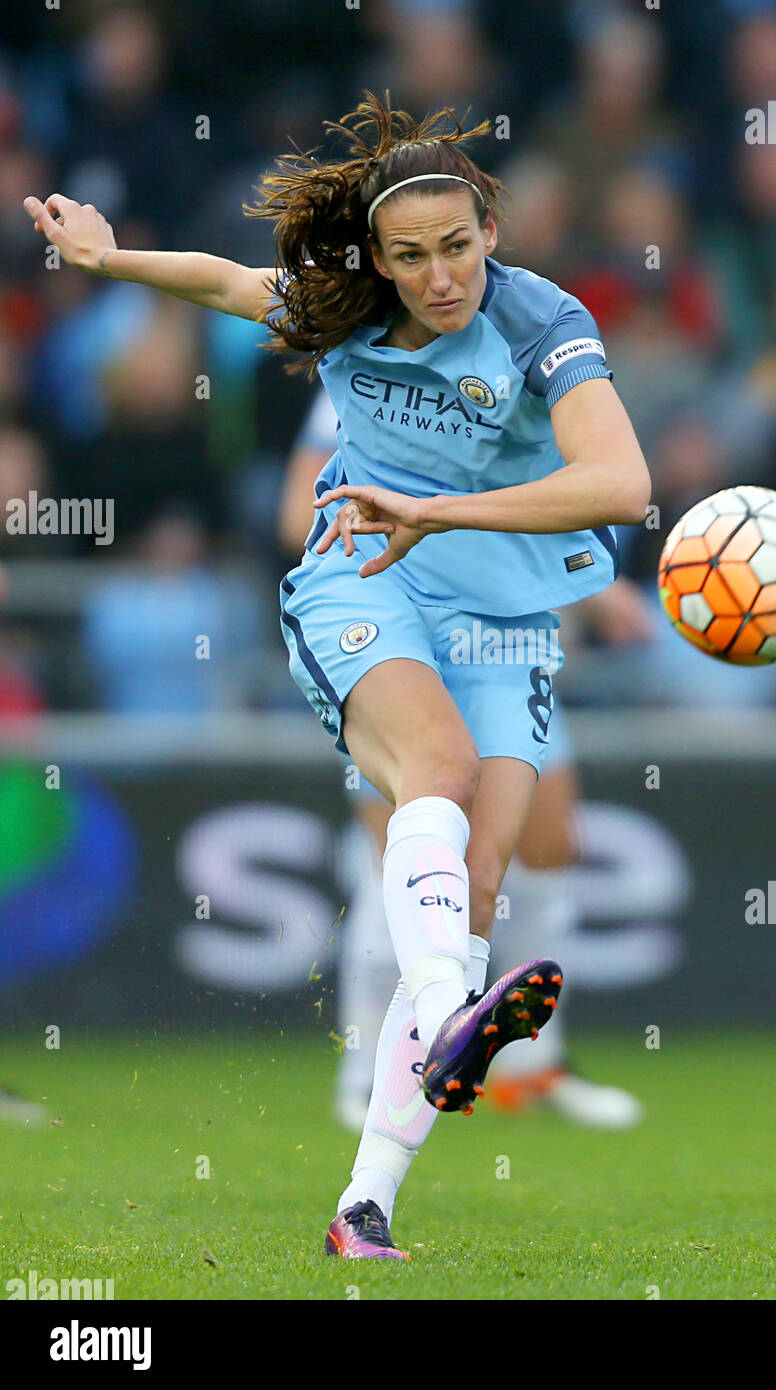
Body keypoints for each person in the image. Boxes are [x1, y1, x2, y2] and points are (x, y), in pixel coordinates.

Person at [24, 92, 651, 1261]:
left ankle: (364, 1204)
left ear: (490, 232)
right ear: (376, 258)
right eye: (410, 257)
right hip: (364, 573)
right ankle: (442, 1009)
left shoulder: (539, 321)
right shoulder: (343, 308)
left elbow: (620, 482)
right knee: (439, 767)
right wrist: (109, 261)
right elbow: (222, 282)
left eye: (457, 248)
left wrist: (442, 509)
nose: (440, 277)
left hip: (504, 616)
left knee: (471, 894)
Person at [281, 388, 646, 1131]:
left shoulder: (537, 360)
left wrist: (588, 586)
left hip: (507, 642)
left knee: (546, 851)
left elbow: (576, 498)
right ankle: (370, 1075)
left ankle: (531, 1066)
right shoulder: (372, 367)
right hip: (402, 631)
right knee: (407, 860)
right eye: (418, 259)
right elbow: (299, 512)